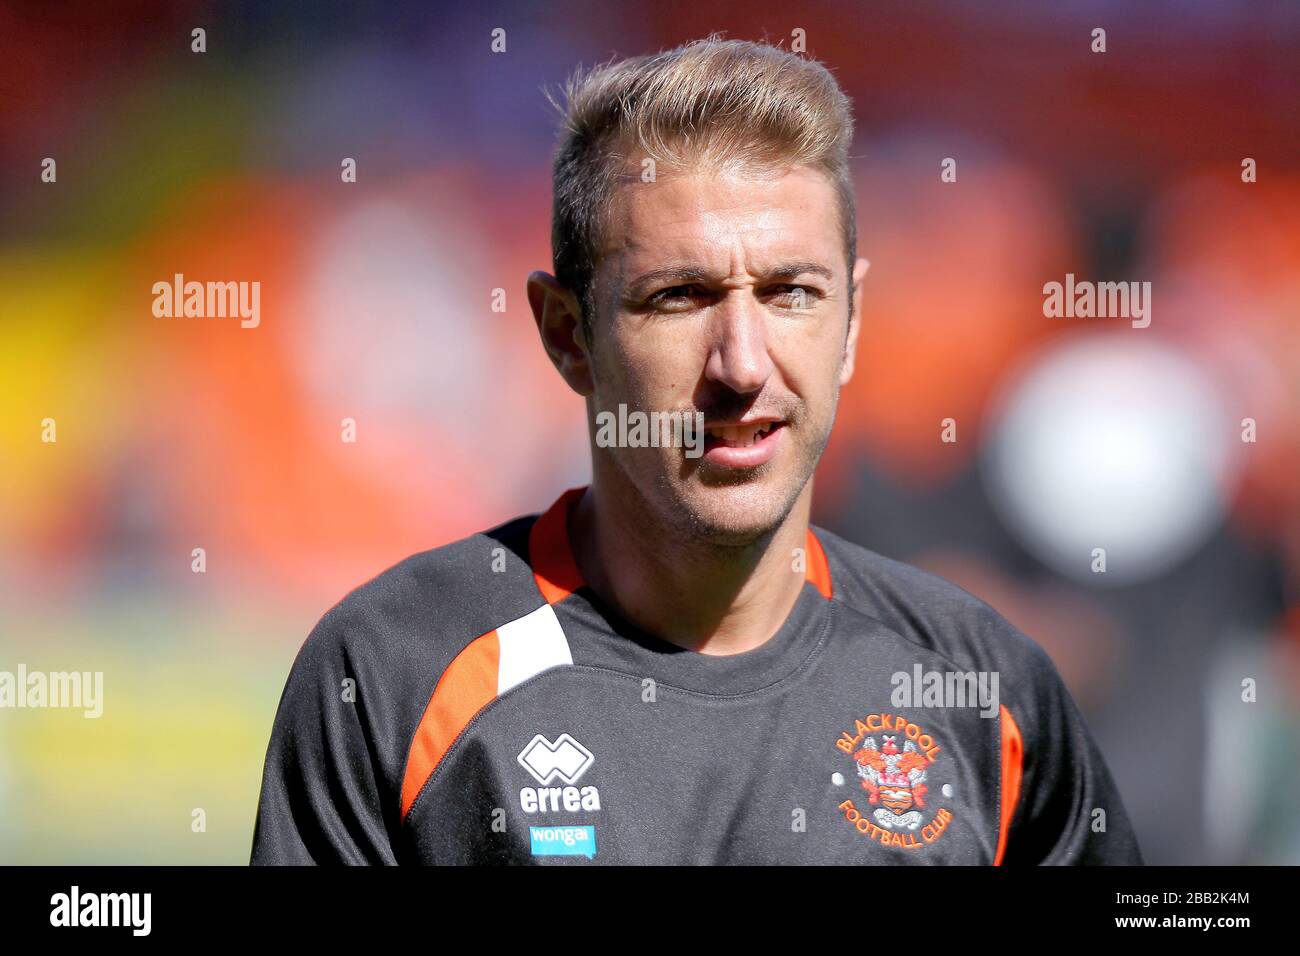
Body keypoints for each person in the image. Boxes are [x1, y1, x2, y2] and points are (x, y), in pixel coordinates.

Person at [250, 37, 1143, 865]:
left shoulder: (984, 690)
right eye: (679, 297)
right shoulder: (390, 673)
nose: (744, 366)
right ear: (568, 335)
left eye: (792, 293)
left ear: (853, 324)